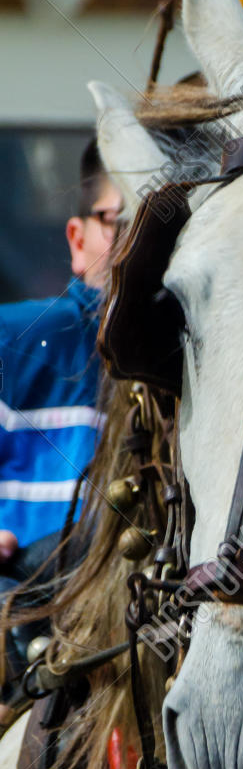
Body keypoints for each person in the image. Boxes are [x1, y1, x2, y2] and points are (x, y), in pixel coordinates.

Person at [0, 141, 122, 694]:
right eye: (123, 221)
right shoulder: (15, 340)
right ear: (77, 240)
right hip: (26, 662)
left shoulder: (230, 365)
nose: (146, 247)